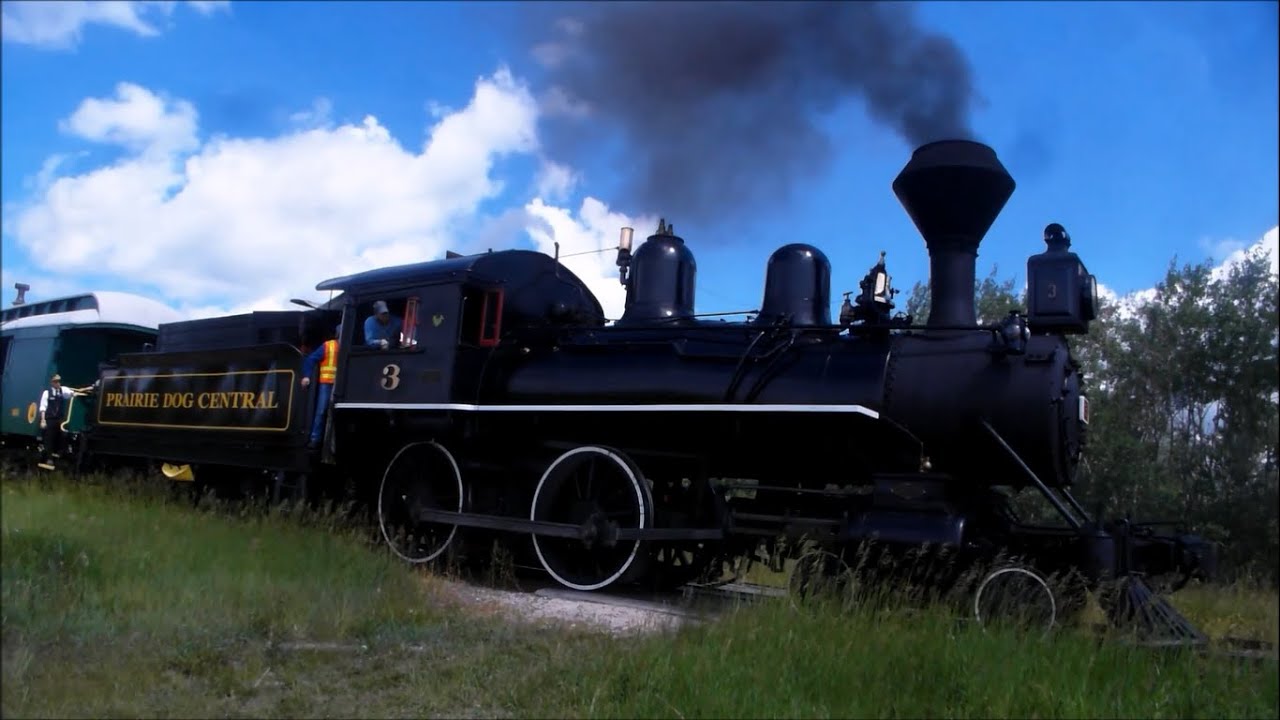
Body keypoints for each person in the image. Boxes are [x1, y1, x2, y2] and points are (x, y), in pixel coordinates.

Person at [300, 327, 340, 450]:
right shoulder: (328, 345)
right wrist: (306, 376)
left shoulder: (347, 346)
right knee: (322, 411)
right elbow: (310, 359)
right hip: (327, 384)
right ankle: (315, 439)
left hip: (339, 384)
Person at [38, 373, 84, 469]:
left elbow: (71, 393)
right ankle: (49, 459)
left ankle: (60, 453)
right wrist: (43, 420)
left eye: (58, 381)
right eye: (55, 382)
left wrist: (74, 394)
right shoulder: (47, 393)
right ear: (52, 383)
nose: (57, 383)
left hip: (59, 419)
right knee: (48, 438)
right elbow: (43, 407)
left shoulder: (63, 390)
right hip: (49, 418)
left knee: (63, 434)